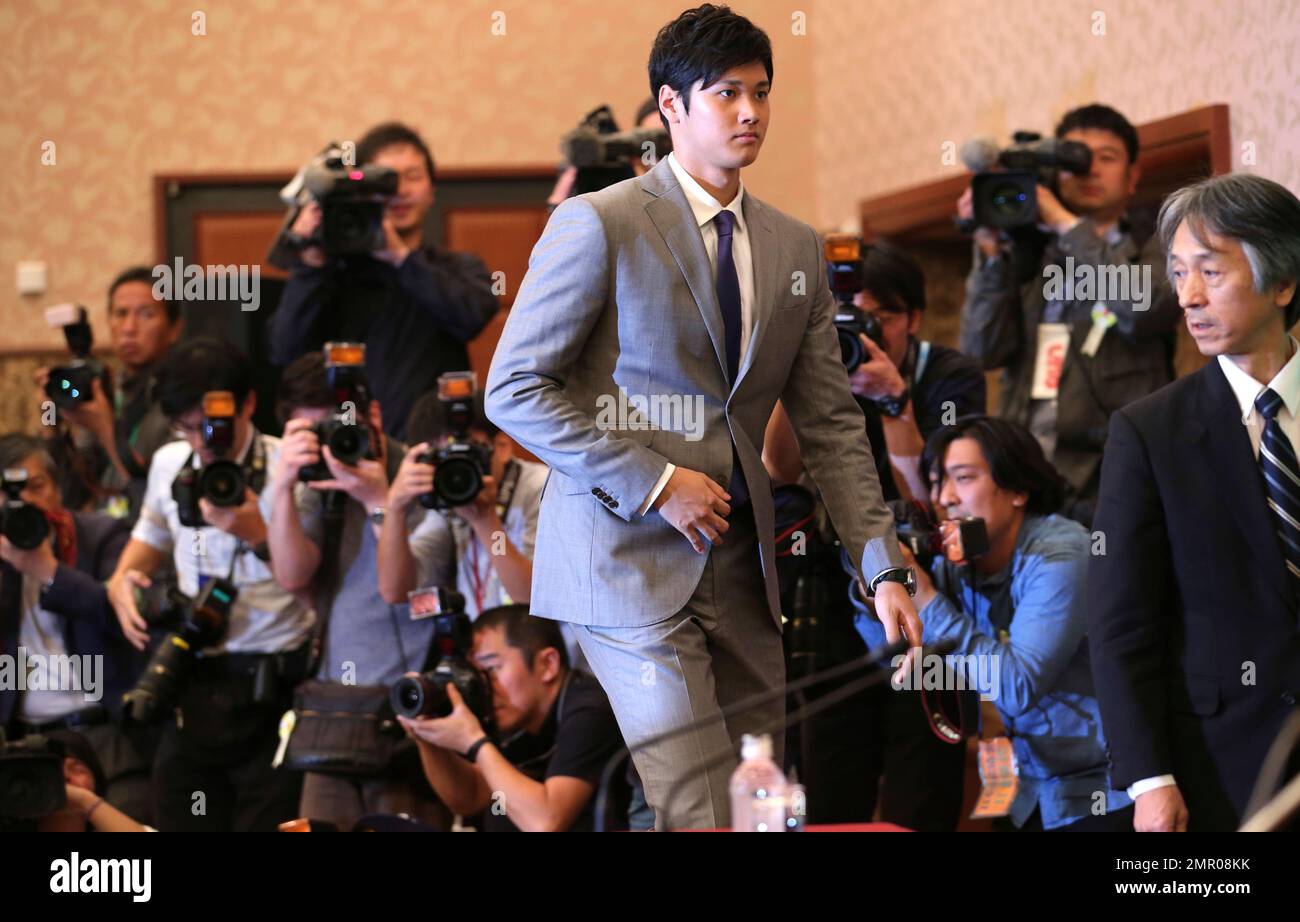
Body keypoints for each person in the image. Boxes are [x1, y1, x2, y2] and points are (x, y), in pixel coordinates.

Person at [485, 4, 918, 829]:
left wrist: (884, 566)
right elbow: (512, 390)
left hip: (742, 563)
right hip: (625, 563)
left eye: (761, 91)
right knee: (697, 809)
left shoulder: (796, 248)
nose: (751, 111)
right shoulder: (599, 223)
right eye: (726, 93)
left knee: (762, 808)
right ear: (672, 107)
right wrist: (653, 482)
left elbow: (829, 424)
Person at [1089, 173, 1300, 832]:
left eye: (1210, 270)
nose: (1188, 296)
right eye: (1179, 274)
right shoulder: (1150, 432)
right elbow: (1122, 625)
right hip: (1221, 767)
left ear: (1284, 281)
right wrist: (1149, 780)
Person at [853, 416, 1132, 830]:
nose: (945, 498)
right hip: (1021, 792)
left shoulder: (1060, 554)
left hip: (1098, 794)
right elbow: (901, 672)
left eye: (962, 478)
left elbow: (1017, 687)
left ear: (1018, 488)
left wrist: (925, 598)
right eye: (936, 482)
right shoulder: (956, 564)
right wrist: (876, 592)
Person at [105, 337, 315, 831]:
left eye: (212, 426)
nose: (202, 443)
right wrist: (119, 579)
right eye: (187, 428)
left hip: (272, 683)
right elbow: (150, 532)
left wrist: (258, 533)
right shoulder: (169, 463)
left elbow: (312, 581)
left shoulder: (293, 467)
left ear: (248, 403)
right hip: (193, 675)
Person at [958, 103, 1180, 524]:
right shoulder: (1031, 255)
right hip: (1023, 478)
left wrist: (1066, 225)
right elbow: (981, 351)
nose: (1089, 169)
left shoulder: (1159, 248)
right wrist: (990, 254)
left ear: (1133, 177)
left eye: (1107, 158)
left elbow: (1143, 307)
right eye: (1075, 158)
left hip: (1111, 480)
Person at [266, 352, 452, 830]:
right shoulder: (316, 484)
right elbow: (291, 574)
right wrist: (283, 487)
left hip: (412, 718)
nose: (334, 446)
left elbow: (400, 587)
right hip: (334, 713)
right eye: (314, 436)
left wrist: (377, 501)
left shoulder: (421, 475)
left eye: (337, 428)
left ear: (372, 415)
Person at [269, 121, 499, 439]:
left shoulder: (458, 268)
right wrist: (311, 265)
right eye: (387, 178)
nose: (401, 190)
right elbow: (285, 349)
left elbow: (471, 316)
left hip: (431, 448)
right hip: (348, 445)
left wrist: (400, 258)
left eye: (413, 176)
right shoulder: (333, 274)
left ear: (432, 190)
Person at [0, 434, 152, 823]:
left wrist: (46, 570)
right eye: (9, 491)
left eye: (36, 487)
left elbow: (123, 618)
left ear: (56, 489)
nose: (26, 502)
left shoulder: (102, 536)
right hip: (28, 740)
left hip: (108, 730)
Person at [399, 604, 631, 832]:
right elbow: (470, 796)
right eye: (475, 674)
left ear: (547, 664)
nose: (484, 686)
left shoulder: (590, 709)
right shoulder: (518, 719)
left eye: (490, 669)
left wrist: (475, 742)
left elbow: (545, 822)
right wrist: (426, 737)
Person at [388, 387, 547, 619]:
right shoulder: (447, 496)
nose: (456, 470)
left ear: (502, 446)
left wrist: (485, 521)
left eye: (467, 452)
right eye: (443, 458)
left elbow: (532, 601)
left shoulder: (542, 488)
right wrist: (393, 508)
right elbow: (397, 591)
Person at [37, 266, 181, 518]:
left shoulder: (183, 397)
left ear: (173, 328)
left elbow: (165, 506)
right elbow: (71, 495)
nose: (129, 328)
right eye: (120, 314)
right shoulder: (106, 389)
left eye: (146, 314)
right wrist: (50, 421)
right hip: (106, 537)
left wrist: (106, 430)